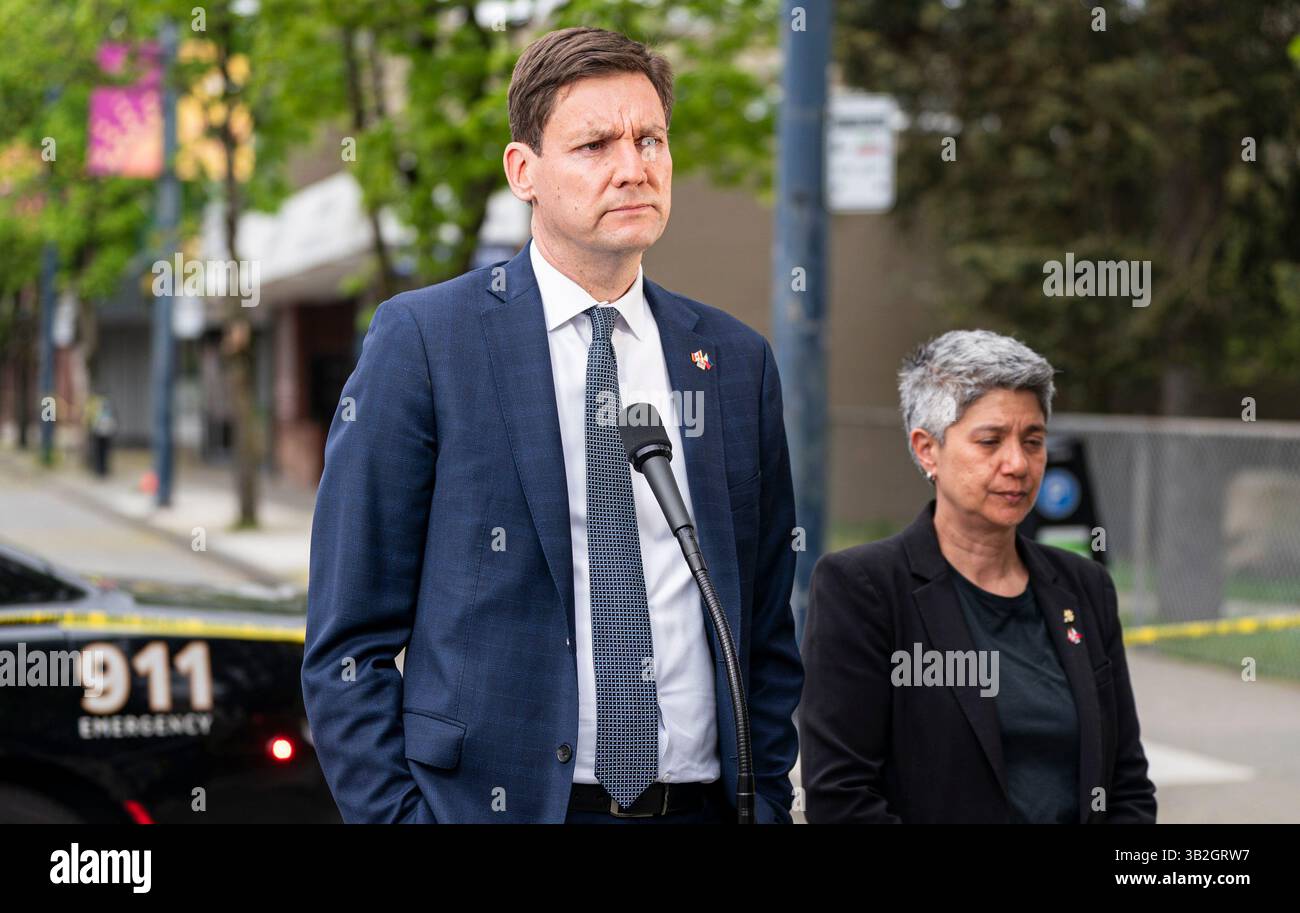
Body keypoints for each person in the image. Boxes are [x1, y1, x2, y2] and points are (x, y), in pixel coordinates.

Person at [301, 27, 802, 824]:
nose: (633, 167)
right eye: (595, 144)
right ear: (523, 170)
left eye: (650, 140)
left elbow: (767, 626)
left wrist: (766, 800)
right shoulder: (427, 342)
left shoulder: (736, 362)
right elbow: (346, 644)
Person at [799, 329, 1156, 823]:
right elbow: (842, 797)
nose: (1017, 464)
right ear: (927, 450)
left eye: (1033, 441)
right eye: (990, 441)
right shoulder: (864, 588)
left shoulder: (1085, 586)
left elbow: (1127, 784)